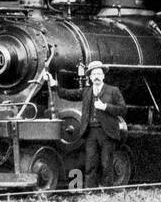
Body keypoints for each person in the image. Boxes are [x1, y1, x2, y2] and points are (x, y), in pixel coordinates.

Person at [46, 60, 128, 188]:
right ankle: (90, 191)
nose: (96, 76)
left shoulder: (113, 91)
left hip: (107, 132)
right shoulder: (86, 92)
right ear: (90, 77)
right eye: (93, 74)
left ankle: (107, 191)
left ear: (103, 76)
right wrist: (54, 85)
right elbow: (67, 94)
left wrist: (105, 106)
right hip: (90, 132)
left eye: (99, 73)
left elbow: (123, 109)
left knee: (106, 163)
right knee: (90, 163)